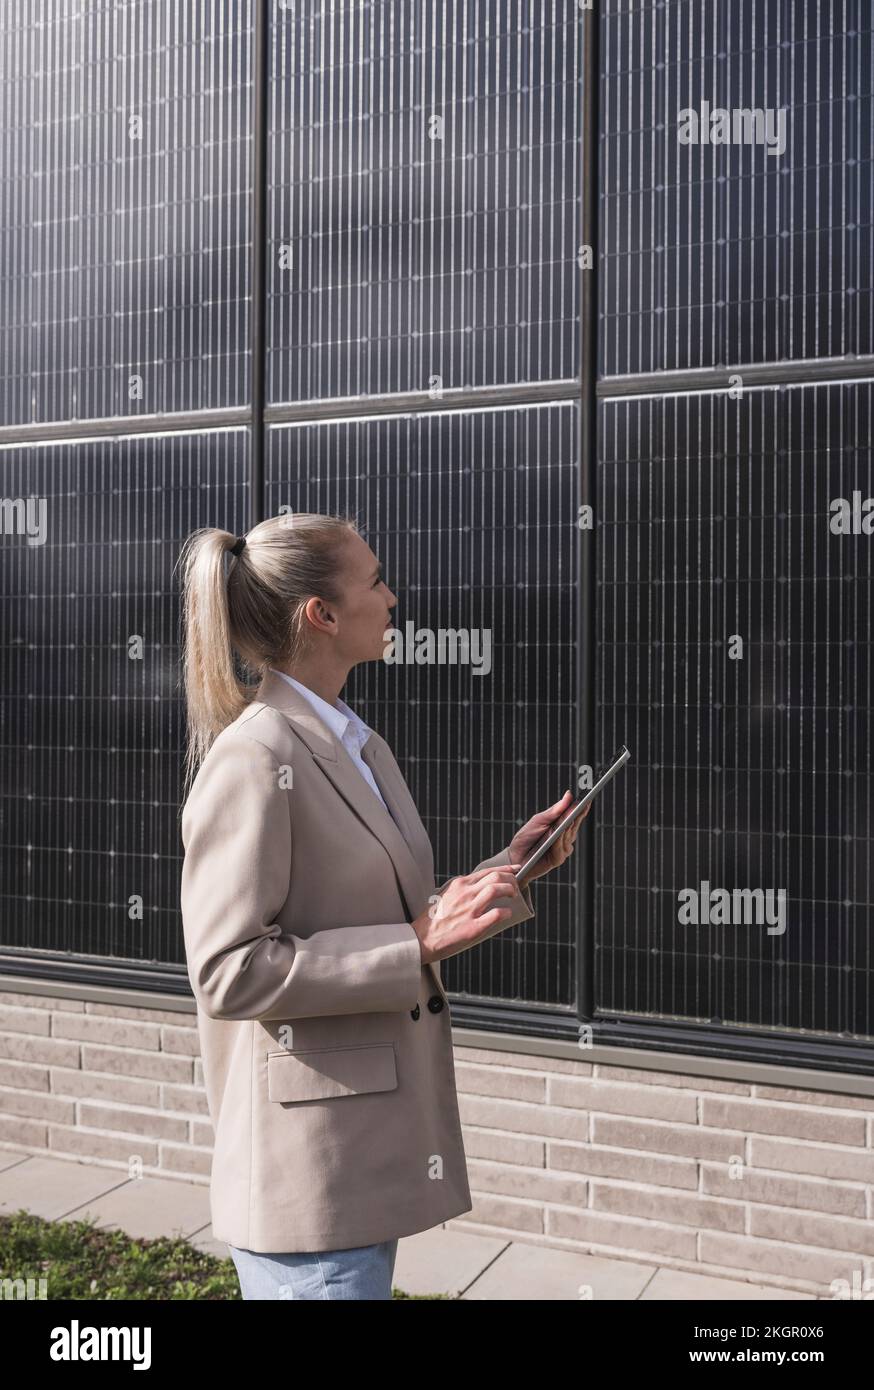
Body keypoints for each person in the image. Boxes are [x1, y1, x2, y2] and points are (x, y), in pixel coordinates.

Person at [176, 512, 587, 1300]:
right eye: (374, 582)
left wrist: (509, 868)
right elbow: (227, 973)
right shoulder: (255, 758)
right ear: (321, 616)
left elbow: (387, 913)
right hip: (311, 1183)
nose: (393, 597)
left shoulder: (357, 743)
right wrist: (414, 946)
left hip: (361, 1160)